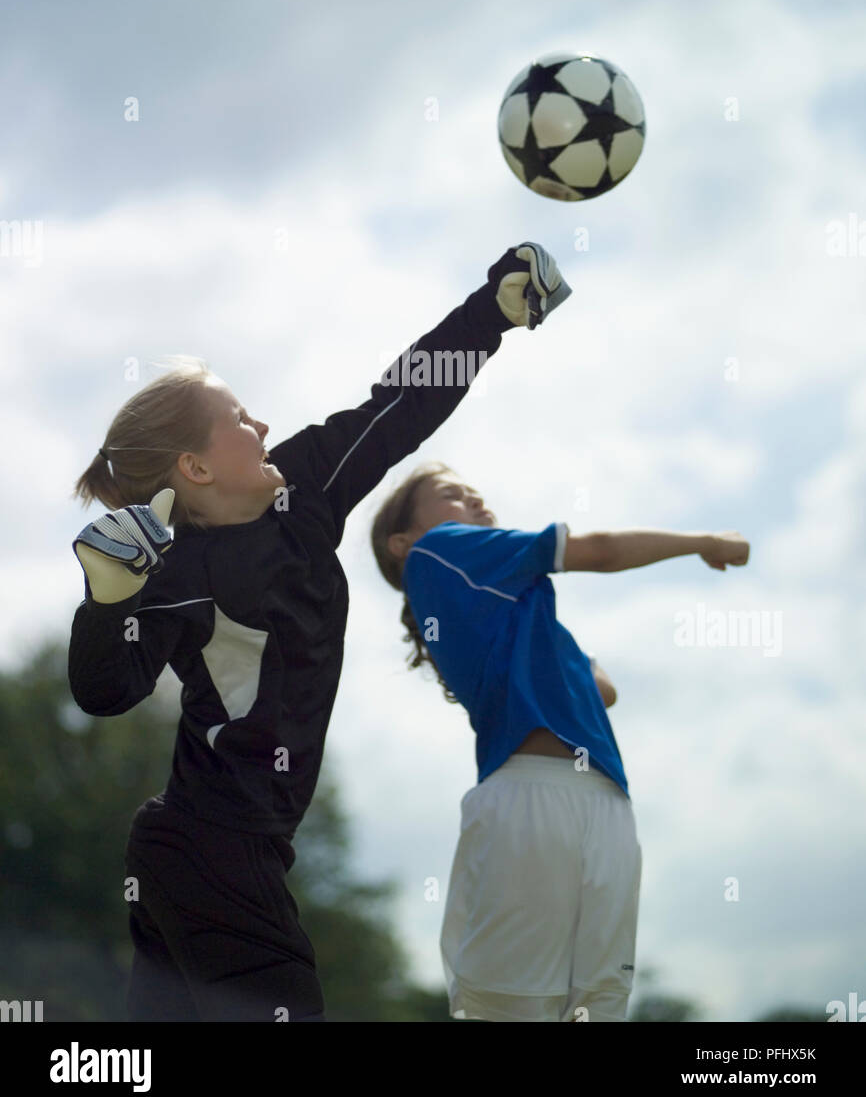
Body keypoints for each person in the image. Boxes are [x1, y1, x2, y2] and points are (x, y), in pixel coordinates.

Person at [67, 243, 571, 1022]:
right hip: (212, 854)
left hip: (222, 854)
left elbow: (396, 405)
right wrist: (106, 604)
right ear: (195, 469)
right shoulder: (170, 577)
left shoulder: (302, 492)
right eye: (238, 418)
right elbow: (104, 691)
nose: (261, 422)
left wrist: (489, 313)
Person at [371, 464, 749, 1022]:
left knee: (594, 1005)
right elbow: (597, 550)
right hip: (533, 795)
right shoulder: (439, 551)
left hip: (603, 799)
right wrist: (705, 542)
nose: (474, 496)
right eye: (451, 493)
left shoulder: (509, 606)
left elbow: (605, 690)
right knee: (513, 1006)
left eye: (476, 491)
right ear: (401, 543)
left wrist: (561, 646)